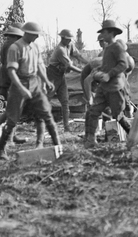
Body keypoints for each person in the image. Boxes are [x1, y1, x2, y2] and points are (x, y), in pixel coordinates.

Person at [0, 22, 61, 160]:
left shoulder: (35, 47)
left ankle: (55, 146)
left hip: (34, 82)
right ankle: (1, 151)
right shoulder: (15, 47)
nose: (37, 37)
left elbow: (40, 66)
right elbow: (11, 71)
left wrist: (46, 81)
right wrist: (21, 88)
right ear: (27, 33)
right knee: (12, 119)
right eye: (35, 35)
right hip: (19, 83)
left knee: (46, 114)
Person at [84, 20, 131, 148]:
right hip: (103, 88)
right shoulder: (107, 49)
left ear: (111, 33)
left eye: (104, 32)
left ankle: (133, 136)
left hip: (115, 87)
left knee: (118, 116)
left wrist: (109, 75)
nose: (102, 35)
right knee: (93, 111)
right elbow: (106, 66)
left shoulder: (117, 47)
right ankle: (90, 140)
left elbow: (123, 64)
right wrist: (99, 73)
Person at [0, 23, 28, 144]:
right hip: (9, 80)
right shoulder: (13, 46)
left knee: (13, 109)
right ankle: (8, 136)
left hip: (5, 79)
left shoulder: (7, 44)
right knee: (13, 109)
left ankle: (11, 135)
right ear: (17, 36)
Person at [47, 29, 88, 131]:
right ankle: (43, 124)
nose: (69, 41)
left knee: (65, 101)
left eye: (70, 39)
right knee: (46, 99)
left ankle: (66, 127)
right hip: (52, 75)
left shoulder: (70, 46)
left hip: (61, 76)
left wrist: (88, 65)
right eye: (68, 39)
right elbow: (69, 66)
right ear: (62, 39)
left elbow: (78, 56)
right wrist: (82, 72)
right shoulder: (60, 49)